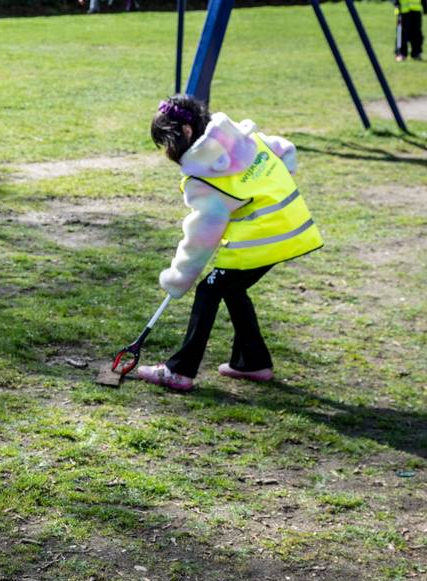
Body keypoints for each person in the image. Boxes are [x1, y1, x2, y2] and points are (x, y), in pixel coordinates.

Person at [136, 94, 323, 392]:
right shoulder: (242, 138)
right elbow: (284, 148)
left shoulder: (204, 178)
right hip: (293, 226)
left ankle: (179, 371)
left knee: (208, 290)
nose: (168, 152)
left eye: (167, 143)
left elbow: (202, 235)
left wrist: (179, 277)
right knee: (231, 287)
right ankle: (252, 361)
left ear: (186, 132)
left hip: (265, 239)